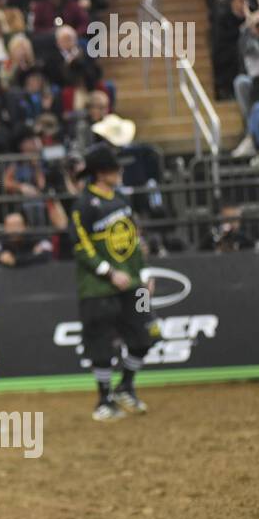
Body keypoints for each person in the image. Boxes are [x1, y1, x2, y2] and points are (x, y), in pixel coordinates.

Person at [69, 143, 155, 420]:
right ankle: (103, 400)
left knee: (145, 336)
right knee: (101, 345)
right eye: (114, 168)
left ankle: (125, 386)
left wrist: (143, 274)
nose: (119, 172)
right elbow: (81, 247)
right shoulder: (83, 204)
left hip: (130, 283)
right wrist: (108, 271)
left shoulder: (122, 200)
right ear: (101, 172)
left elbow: (134, 242)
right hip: (98, 288)